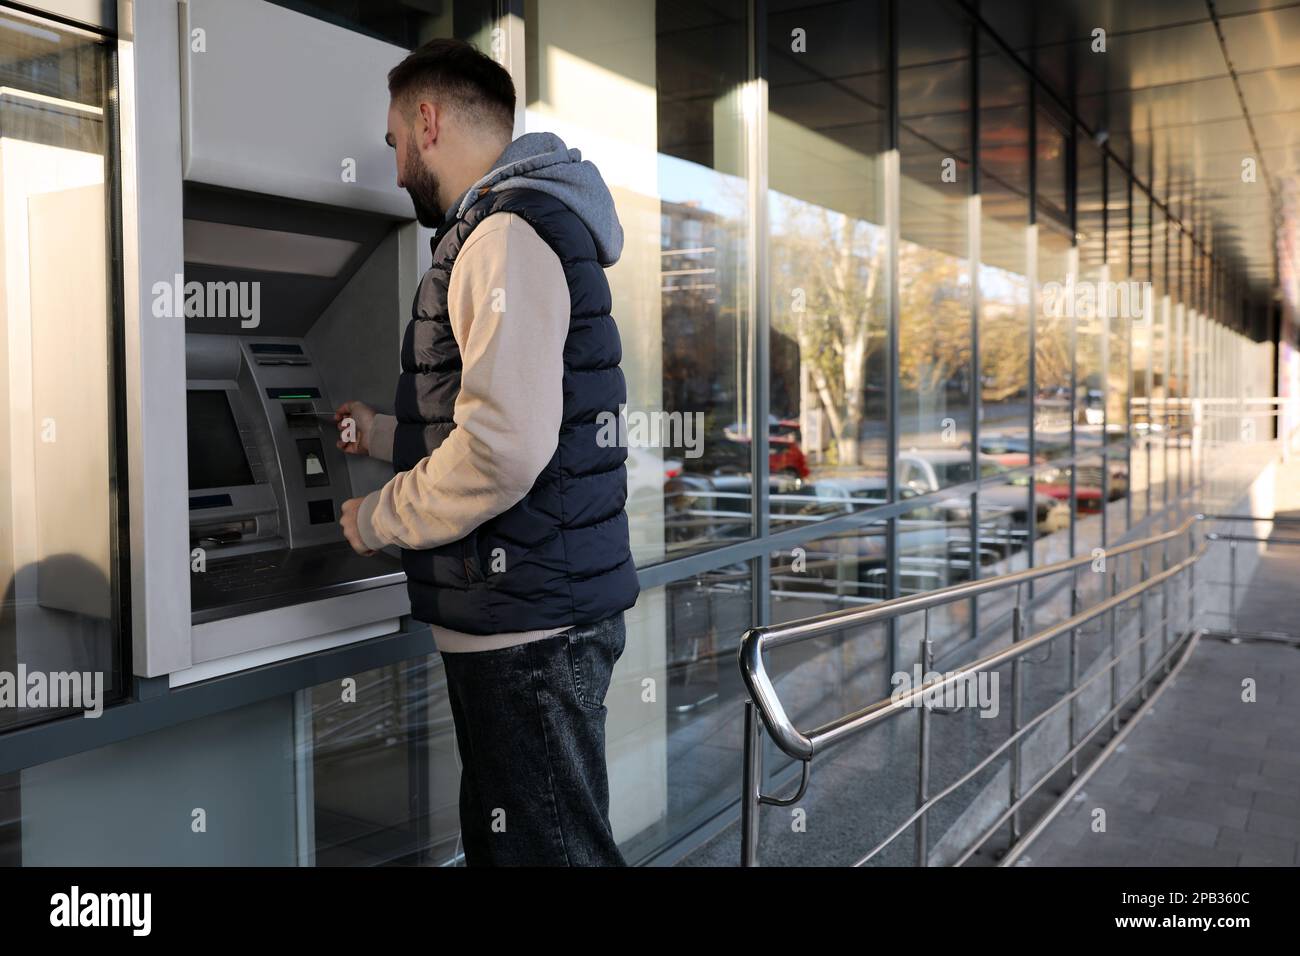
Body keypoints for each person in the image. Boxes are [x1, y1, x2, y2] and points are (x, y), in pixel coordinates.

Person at [333, 38, 639, 866]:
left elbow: (504, 449)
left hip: (526, 628)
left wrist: (378, 516)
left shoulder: (505, 234)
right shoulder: (515, 223)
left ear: (428, 121)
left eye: (395, 140)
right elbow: (504, 416)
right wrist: (382, 435)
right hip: (530, 613)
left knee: (548, 853)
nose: (396, 168)